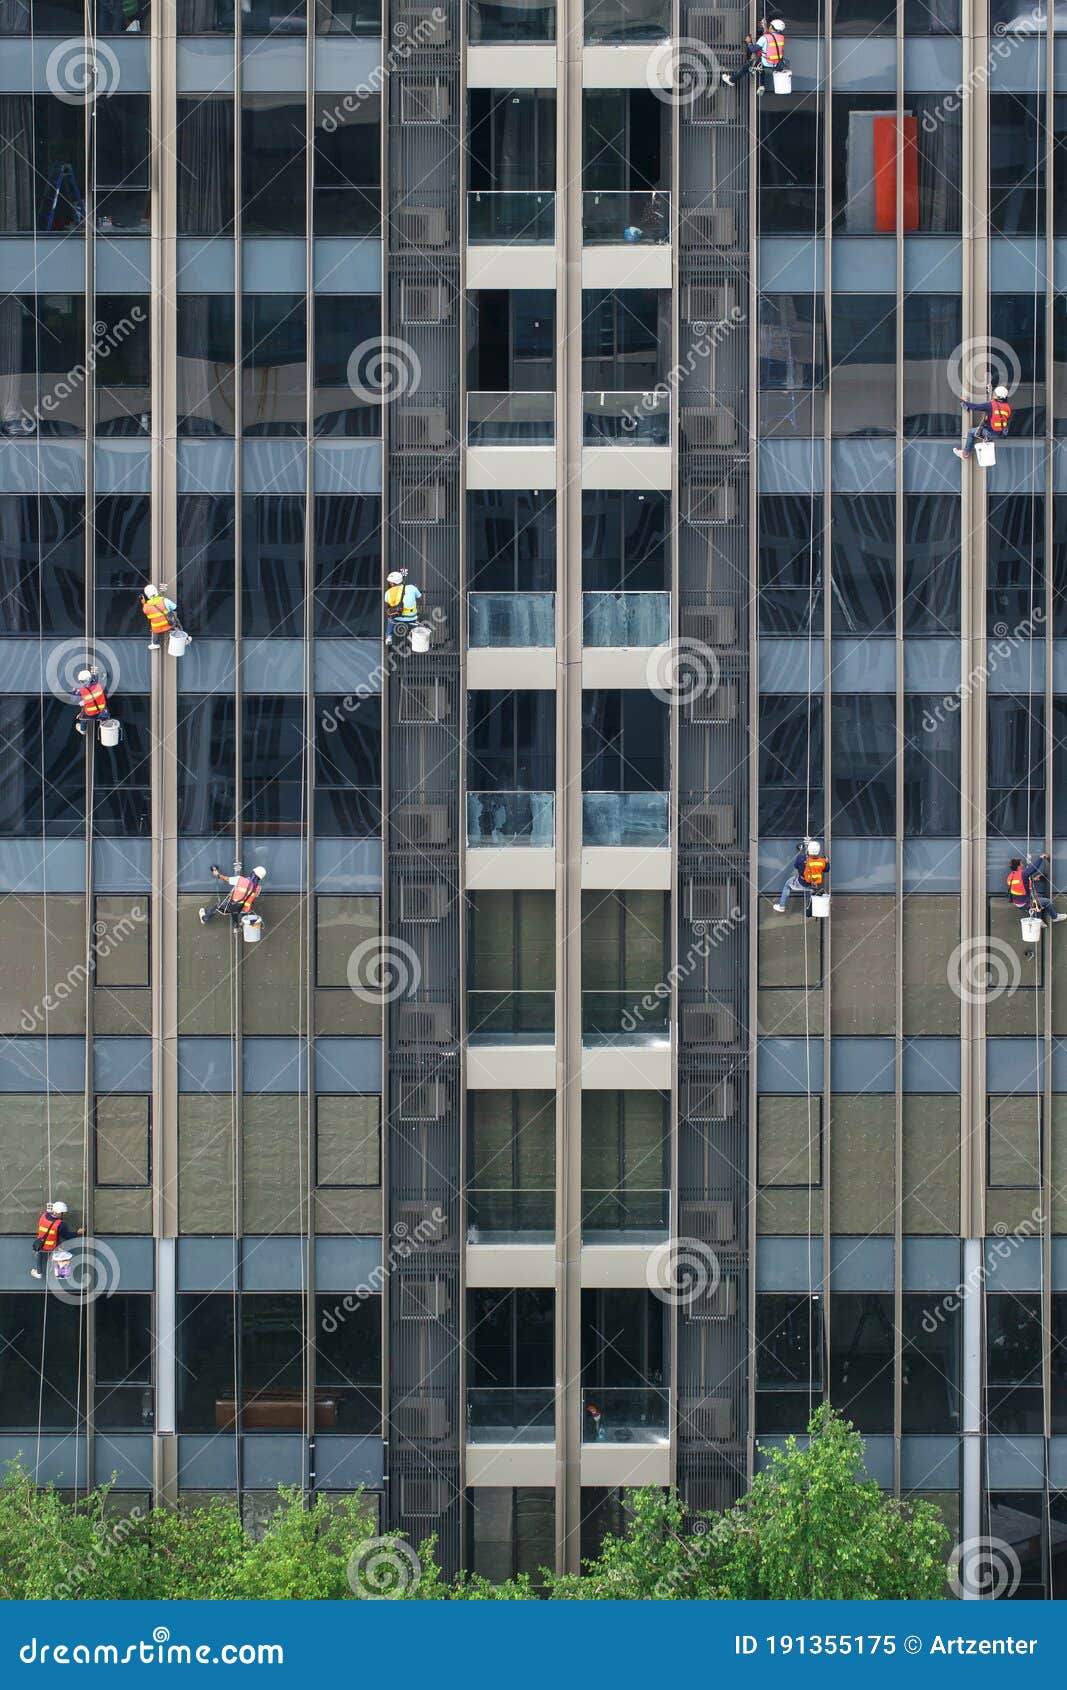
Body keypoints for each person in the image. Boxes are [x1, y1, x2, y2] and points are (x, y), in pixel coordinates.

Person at [722, 17, 786, 92]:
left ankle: (731, 80)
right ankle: (762, 85)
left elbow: (753, 49)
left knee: (746, 67)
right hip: (776, 64)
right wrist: (764, 27)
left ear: (772, 27)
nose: (769, 26)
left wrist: (749, 42)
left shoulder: (764, 38)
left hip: (766, 62)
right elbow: (772, 38)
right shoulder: (781, 37)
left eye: (770, 25)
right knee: (760, 64)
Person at [1006, 852, 1066, 923]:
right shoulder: (1022, 874)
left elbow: (1021, 885)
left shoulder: (1011, 876)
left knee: (1039, 898)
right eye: (1021, 863)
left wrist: (1033, 879)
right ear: (1018, 866)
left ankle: (1039, 920)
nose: (1023, 864)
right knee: (1047, 902)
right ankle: (1055, 917)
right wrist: (1041, 858)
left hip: (1018, 902)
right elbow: (1033, 869)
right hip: (1025, 903)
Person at [199, 864, 266, 928]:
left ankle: (204, 918)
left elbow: (227, 879)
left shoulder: (240, 879)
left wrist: (217, 875)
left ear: (253, 873)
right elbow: (252, 897)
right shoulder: (258, 888)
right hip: (245, 910)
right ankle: (236, 926)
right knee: (236, 911)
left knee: (217, 906)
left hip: (233, 906)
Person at [954, 386, 1012, 459]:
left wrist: (964, 402)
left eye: (995, 394)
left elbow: (975, 407)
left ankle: (965, 454)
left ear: (998, 396)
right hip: (1000, 434)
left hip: (989, 433)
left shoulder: (991, 405)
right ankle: (986, 439)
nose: (993, 395)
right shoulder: (1008, 407)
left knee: (971, 432)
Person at [774, 838, 829, 913]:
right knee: (809, 892)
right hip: (812, 886)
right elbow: (827, 869)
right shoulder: (822, 861)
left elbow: (796, 866)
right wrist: (827, 862)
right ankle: (809, 908)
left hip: (800, 883)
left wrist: (801, 852)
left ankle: (782, 906)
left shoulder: (801, 858)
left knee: (787, 884)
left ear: (808, 850)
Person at [30, 1200, 83, 1279]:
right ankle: (60, 1273)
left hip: (40, 1245)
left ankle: (38, 1272)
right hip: (52, 1248)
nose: (64, 1215)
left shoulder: (43, 1216)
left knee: (38, 1251)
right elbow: (67, 1236)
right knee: (63, 1251)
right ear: (60, 1213)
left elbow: (48, 1212)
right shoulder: (60, 1224)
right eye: (63, 1213)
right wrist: (78, 1233)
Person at [139, 582, 188, 652]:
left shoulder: (146, 607)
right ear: (156, 591)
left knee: (153, 630)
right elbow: (175, 608)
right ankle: (184, 639)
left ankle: (155, 643)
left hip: (157, 629)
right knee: (176, 622)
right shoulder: (164, 600)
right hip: (168, 625)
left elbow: (145, 611)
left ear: (147, 596)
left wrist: (143, 603)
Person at [384, 570, 423, 646]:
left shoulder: (388, 592)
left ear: (392, 583)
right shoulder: (412, 587)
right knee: (417, 614)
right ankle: (416, 627)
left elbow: (387, 606)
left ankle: (389, 637)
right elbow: (420, 598)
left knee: (390, 619)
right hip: (412, 617)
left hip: (397, 618)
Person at [71, 668, 110, 736]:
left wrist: (73, 691)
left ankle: (83, 729)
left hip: (90, 714)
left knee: (83, 715)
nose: (81, 683)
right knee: (105, 713)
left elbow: (73, 699)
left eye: (81, 681)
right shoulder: (99, 685)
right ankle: (104, 726)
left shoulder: (81, 690)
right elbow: (106, 692)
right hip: (103, 712)